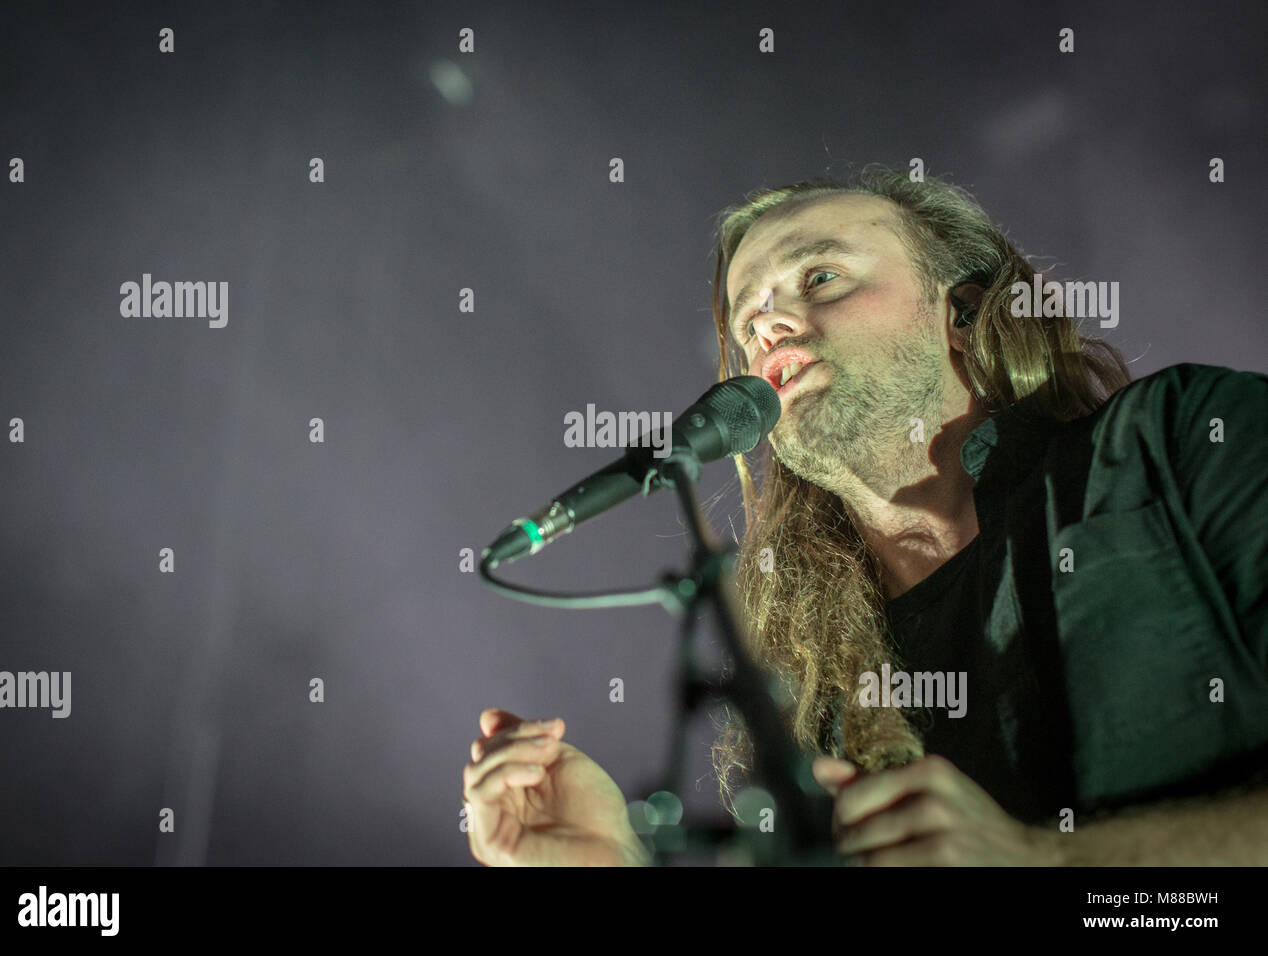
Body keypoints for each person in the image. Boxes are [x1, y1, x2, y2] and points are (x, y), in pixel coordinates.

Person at [463, 166, 1268, 866]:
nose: (769, 325)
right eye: (749, 319)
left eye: (820, 279)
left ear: (965, 312)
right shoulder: (811, 689)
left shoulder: (1183, 439)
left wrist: (1050, 865)